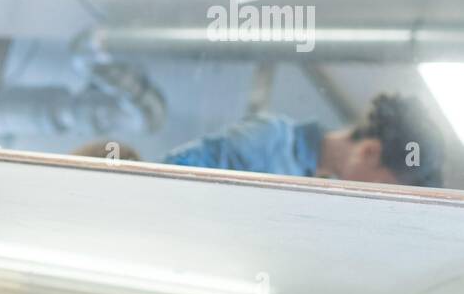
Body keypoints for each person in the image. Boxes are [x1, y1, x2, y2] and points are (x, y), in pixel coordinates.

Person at [161, 93, 447, 187]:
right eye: (383, 184)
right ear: (370, 152)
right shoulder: (271, 138)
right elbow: (169, 172)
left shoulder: (321, 187)